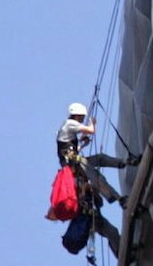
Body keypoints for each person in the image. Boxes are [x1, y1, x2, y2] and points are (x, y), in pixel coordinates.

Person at [56, 102, 137, 255]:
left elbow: (69, 150)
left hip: (87, 210)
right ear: (77, 114)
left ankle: (122, 252)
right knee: (95, 177)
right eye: (81, 117)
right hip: (80, 187)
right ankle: (119, 199)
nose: (81, 119)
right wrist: (92, 124)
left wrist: (82, 145)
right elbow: (90, 131)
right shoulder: (69, 124)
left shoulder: (65, 134)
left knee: (111, 231)